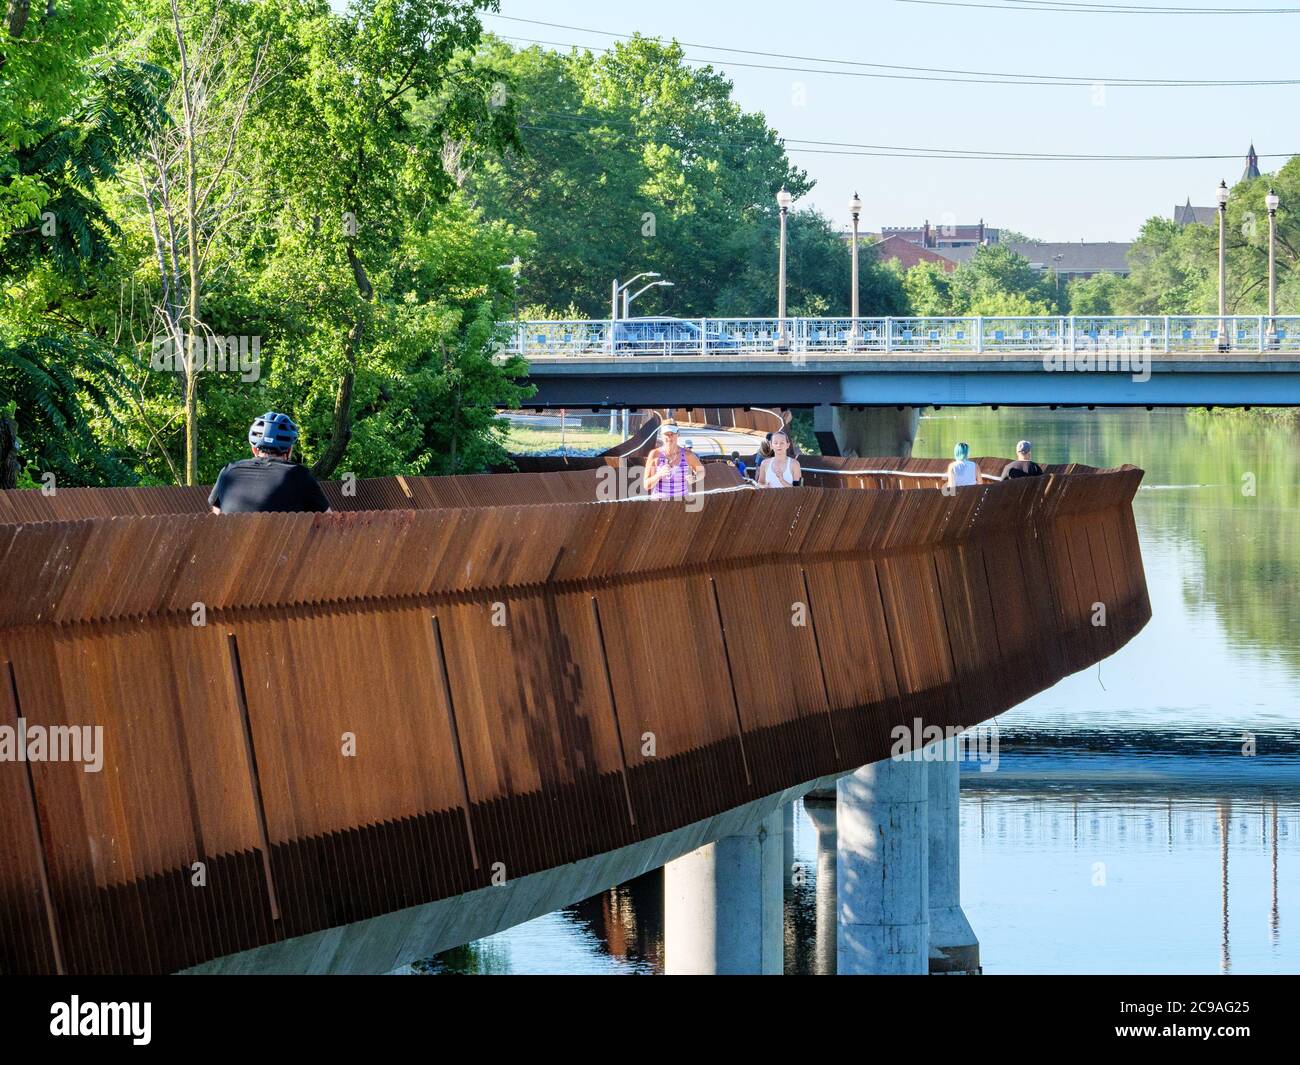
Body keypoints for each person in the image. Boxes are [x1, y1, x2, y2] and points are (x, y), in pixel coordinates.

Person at [209, 412, 331, 515]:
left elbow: (216, 518)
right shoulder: (299, 475)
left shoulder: (229, 472)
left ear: (254, 449)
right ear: (288, 451)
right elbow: (328, 520)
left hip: (230, 542)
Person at [644, 423, 705, 499]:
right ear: (662, 436)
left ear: (678, 435)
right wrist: (659, 475)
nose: (669, 437)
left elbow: (701, 472)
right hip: (659, 505)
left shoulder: (687, 455)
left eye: (672, 434)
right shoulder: (654, 454)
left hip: (681, 503)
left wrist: (695, 478)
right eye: (666, 434)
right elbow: (646, 485)